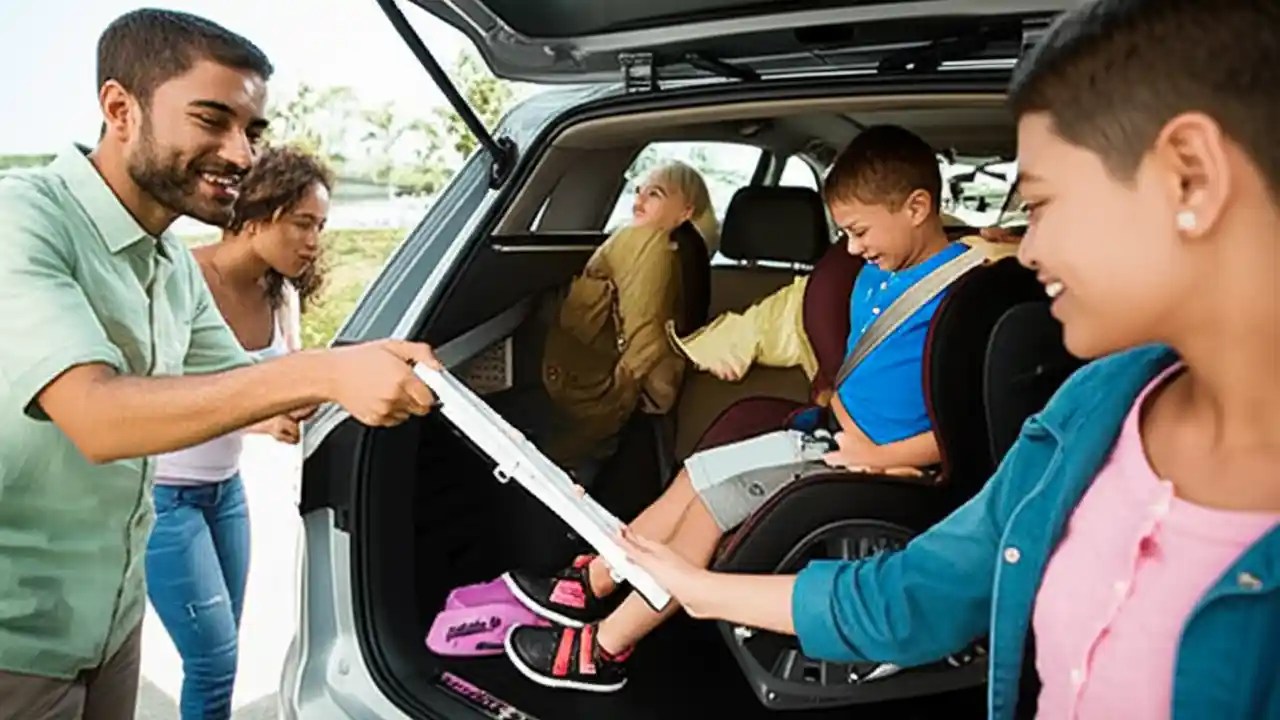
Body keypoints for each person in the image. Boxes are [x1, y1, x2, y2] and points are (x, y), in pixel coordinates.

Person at [616, 1, 1280, 718]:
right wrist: (696, 587)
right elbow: (917, 597)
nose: (1025, 250)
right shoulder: (1092, 411)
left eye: (1044, 204)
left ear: (1191, 177)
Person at [0, 10, 438, 719]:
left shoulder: (169, 259)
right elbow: (96, 416)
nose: (241, 155)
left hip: (110, 625)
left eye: (252, 131)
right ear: (120, 109)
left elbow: (259, 395)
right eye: (212, 120)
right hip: (14, 643)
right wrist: (324, 372)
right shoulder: (22, 219)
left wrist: (393, 374)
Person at [503, 126, 973, 692]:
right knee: (693, 477)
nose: (850, 248)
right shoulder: (876, 273)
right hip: (831, 438)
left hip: (886, 466)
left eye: (859, 230)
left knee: (707, 510)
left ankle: (603, 650)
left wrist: (882, 457)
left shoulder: (962, 297)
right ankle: (598, 578)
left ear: (918, 207)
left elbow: (966, 425)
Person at [144, 146, 332, 719]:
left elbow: (285, 380)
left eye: (320, 226)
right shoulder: (179, 276)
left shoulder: (281, 295)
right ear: (259, 211)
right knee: (213, 661)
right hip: (164, 499)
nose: (314, 241)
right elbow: (153, 397)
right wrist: (260, 416)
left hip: (225, 494)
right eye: (303, 223)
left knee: (224, 649)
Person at [537, 160, 718, 483]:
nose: (638, 201)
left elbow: (644, 339)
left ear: (686, 211)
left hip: (595, 396)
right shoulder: (687, 253)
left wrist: (618, 399)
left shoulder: (647, 245)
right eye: (639, 191)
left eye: (655, 193)